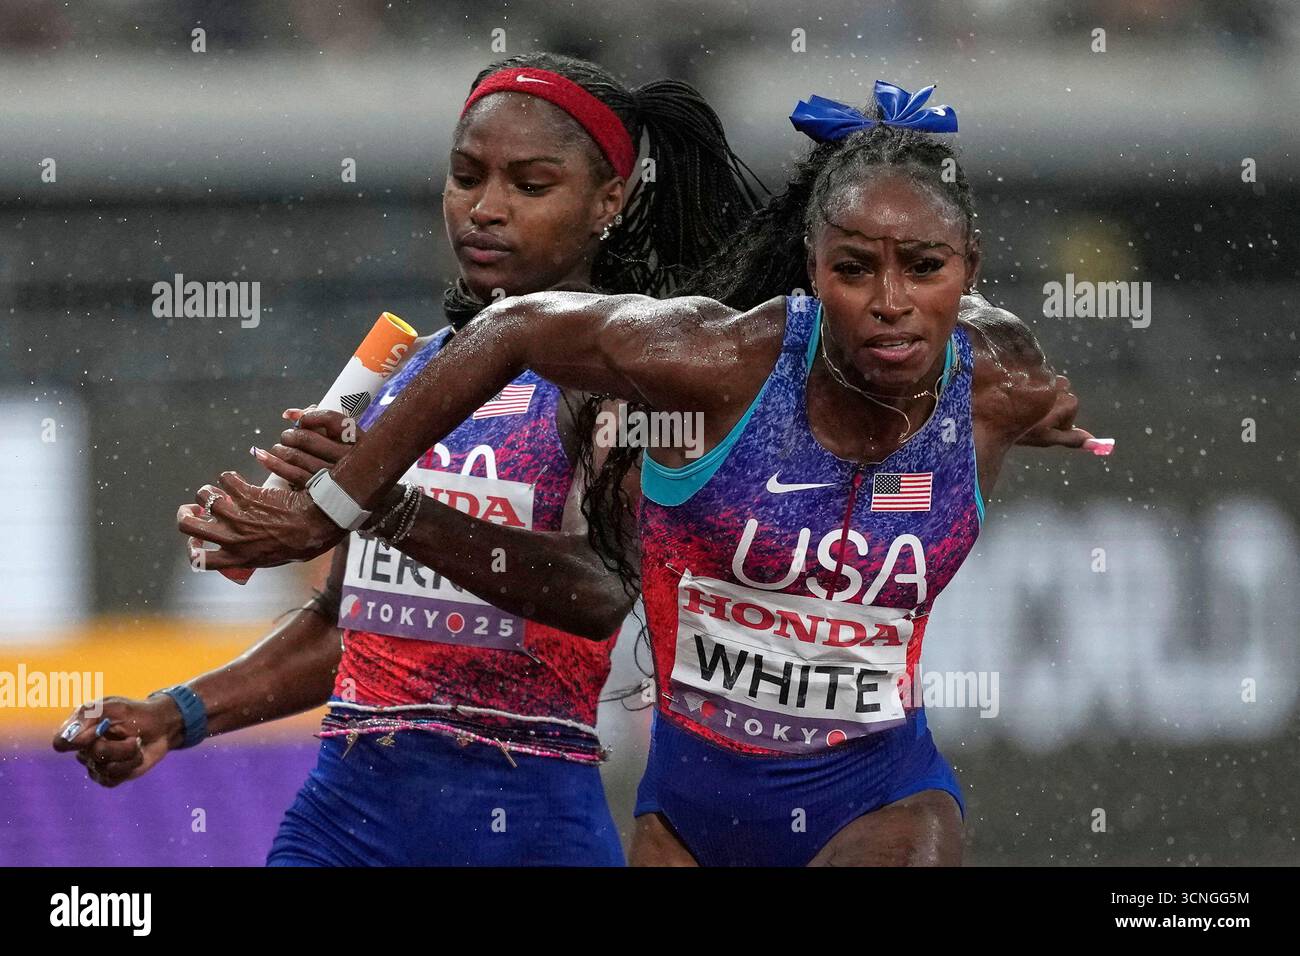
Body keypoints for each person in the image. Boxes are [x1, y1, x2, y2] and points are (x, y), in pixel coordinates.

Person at [177, 80, 1102, 866]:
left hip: (881, 791)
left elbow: (595, 592)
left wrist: (1045, 414)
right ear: (812, 271)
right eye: (855, 269)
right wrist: (336, 506)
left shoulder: (1004, 381)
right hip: (684, 813)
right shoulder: (713, 364)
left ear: (967, 272)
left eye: (927, 269)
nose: (892, 302)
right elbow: (515, 328)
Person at [54, 52, 762, 867]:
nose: (485, 209)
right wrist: (173, 715)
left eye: (530, 186)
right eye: (466, 176)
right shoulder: (395, 371)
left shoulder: (628, 386)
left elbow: (602, 591)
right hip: (345, 819)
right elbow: (341, 625)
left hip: (527, 817)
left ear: (609, 200)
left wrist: (378, 501)